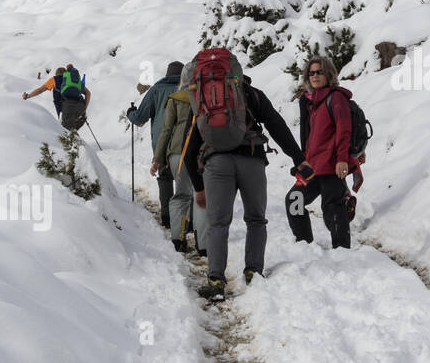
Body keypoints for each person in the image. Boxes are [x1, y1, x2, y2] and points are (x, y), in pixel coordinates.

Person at [184, 48, 304, 300]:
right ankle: (253, 271)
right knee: (256, 219)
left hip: (216, 163)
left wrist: (198, 187)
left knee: (218, 223)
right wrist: (298, 158)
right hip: (252, 159)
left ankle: (216, 280)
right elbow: (276, 124)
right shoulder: (251, 94)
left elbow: (189, 148)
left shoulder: (203, 100)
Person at [285, 55, 358, 251]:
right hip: (313, 167)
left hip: (333, 165)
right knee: (294, 200)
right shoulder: (311, 102)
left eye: (319, 72)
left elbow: (344, 130)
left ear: (329, 74)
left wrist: (342, 159)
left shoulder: (336, 98)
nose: (315, 76)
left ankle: (342, 251)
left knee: (333, 209)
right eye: (311, 73)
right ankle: (305, 245)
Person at [152, 80, 207, 257]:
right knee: (200, 194)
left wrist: (158, 158)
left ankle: (178, 238)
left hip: (178, 152)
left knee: (182, 194)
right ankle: (202, 243)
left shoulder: (175, 98)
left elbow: (167, 129)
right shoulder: (207, 95)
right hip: (201, 152)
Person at [127, 61, 184, 227]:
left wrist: (131, 113)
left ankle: (167, 218)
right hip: (186, 142)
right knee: (186, 181)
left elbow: (139, 119)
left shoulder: (157, 90)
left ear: (167, 74)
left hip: (163, 144)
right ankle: (187, 221)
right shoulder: (190, 89)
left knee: (165, 178)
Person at [22, 65, 91, 130]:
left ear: (56, 74)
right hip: (80, 110)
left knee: (68, 136)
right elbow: (88, 93)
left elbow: (40, 90)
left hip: (67, 111)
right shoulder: (75, 82)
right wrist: (84, 109)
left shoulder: (55, 79)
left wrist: (28, 96)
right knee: (70, 134)